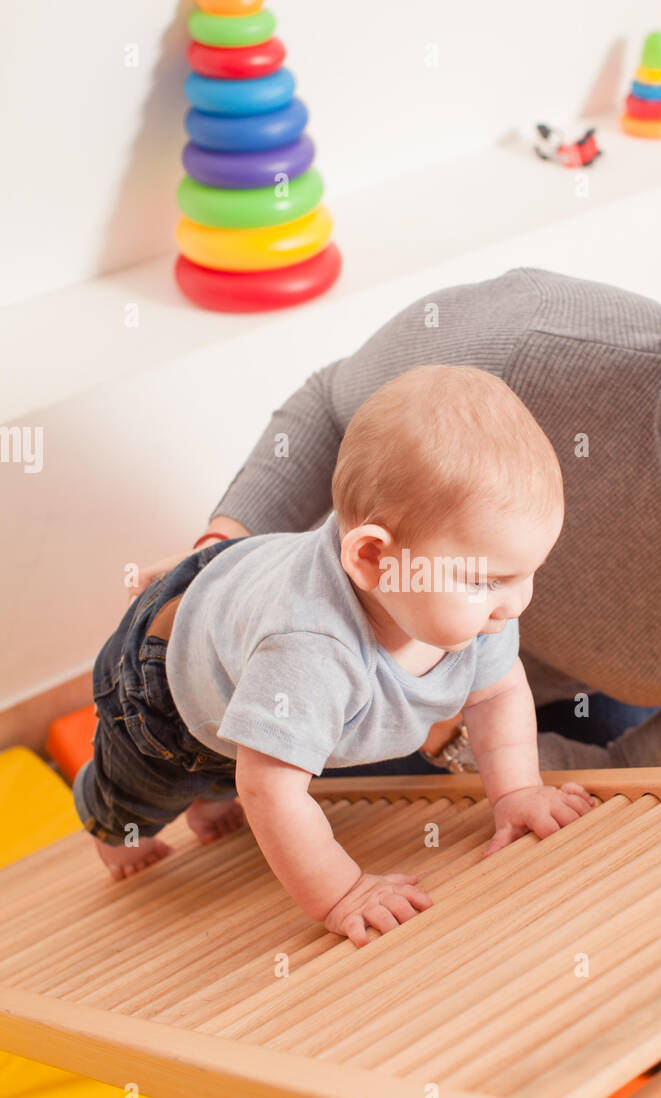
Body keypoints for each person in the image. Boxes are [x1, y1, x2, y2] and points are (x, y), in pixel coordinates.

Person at [135, 188, 661, 776]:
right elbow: (332, 407)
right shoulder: (536, 344)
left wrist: (458, 735)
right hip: (357, 654)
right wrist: (216, 558)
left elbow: (638, 775)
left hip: (527, 720)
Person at [73, 366, 593, 946]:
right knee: (155, 790)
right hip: (161, 686)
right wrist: (343, 891)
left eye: (528, 574)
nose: (514, 604)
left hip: (243, 619)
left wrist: (517, 791)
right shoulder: (310, 650)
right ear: (372, 558)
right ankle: (108, 815)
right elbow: (270, 787)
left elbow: (497, 694)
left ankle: (211, 800)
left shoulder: (475, 605)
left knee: (247, 763)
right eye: (489, 580)